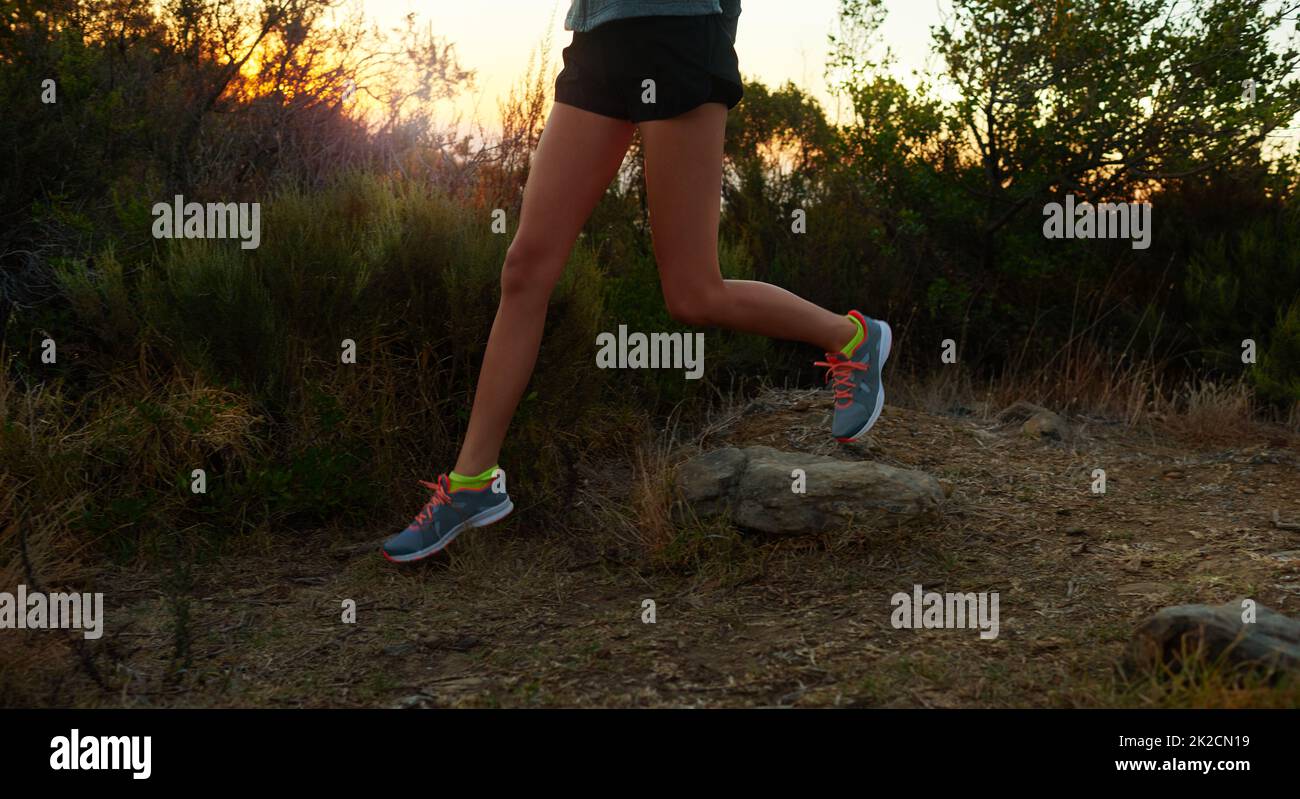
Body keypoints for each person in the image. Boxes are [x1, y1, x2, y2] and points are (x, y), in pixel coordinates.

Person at [381, 0, 891, 563]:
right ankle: (473, 481)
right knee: (525, 268)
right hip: (598, 36)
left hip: (678, 34)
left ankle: (850, 337)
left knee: (693, 294)